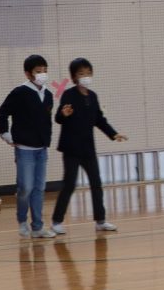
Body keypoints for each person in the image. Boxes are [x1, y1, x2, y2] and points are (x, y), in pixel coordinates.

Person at [53, 57, 128, 233]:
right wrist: (63, 114)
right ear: (74, 77)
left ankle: (100, 221)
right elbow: (58, 118)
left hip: (88, 148)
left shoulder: (93, 96)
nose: (86, 76)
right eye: (81, 74)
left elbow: (99, 119)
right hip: (71, 148)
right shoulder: (69, 94)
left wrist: (113, 134)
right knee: (69, 184)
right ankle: (56, 221)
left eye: (88, 73)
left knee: (96, 183)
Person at [0, 55, 56, 238]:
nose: (43, 74)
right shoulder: (20, 92)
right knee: (25, 188)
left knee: (39, 188)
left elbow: (46, 121)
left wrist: (46, 140)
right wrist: (5, 134)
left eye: (45, 70)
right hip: (24, 150)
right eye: (38, 71)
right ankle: (22, 220)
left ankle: (38, 227)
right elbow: (3, 112)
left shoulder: (48, 94)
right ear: (28, 73)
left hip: (42, 149)